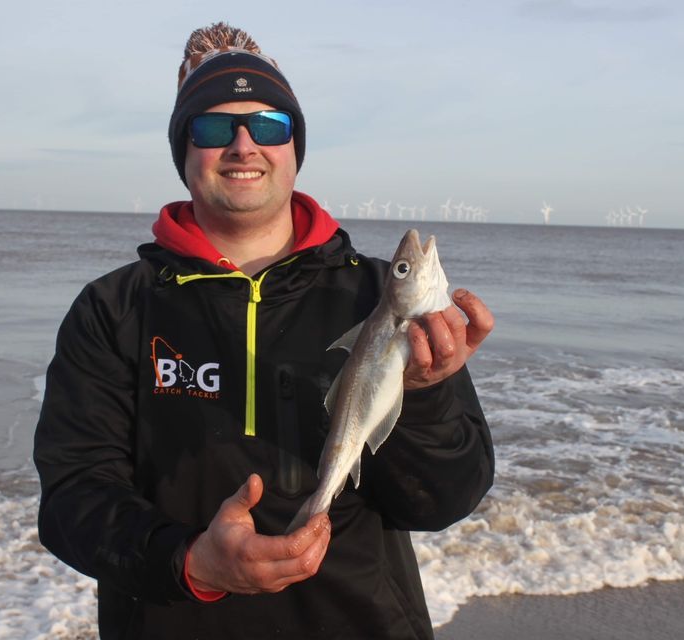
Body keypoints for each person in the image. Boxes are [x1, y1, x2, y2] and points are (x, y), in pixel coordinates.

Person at [34, 22, 494, 640]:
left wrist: (428, 394)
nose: (244, 146)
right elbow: (72, 500)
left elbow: (444, 501)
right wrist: (190, 562)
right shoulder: (112, 309)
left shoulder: (377, 295)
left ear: (294, 148)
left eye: (269, 126)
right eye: (214, 128)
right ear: (184, 151)